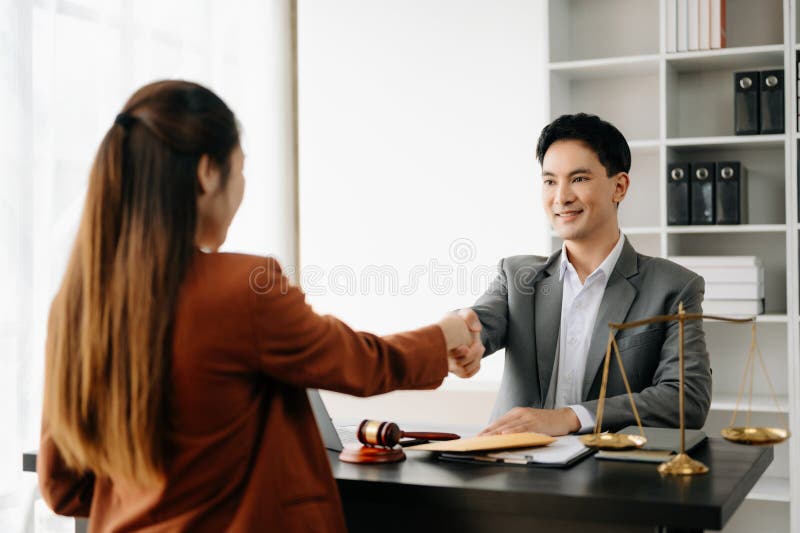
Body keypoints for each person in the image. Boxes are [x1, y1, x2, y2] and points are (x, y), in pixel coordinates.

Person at [37, 80, 483, 532]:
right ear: (207, 172)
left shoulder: (75, 308)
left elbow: (63, 488)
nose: (242, 187)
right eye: (240, 168)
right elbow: (359, 364)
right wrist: (445, 335)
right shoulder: (241, 291)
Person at [462, 113, 711, 436]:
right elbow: (475, 325)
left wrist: (571, 417)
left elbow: (687, 399)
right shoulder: (516, 275)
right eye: (550, 181)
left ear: (619, 187)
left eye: (578, 179)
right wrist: (456, 336)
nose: (561, 197)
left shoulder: (674, 286)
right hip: (512, 458)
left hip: (606, 463)